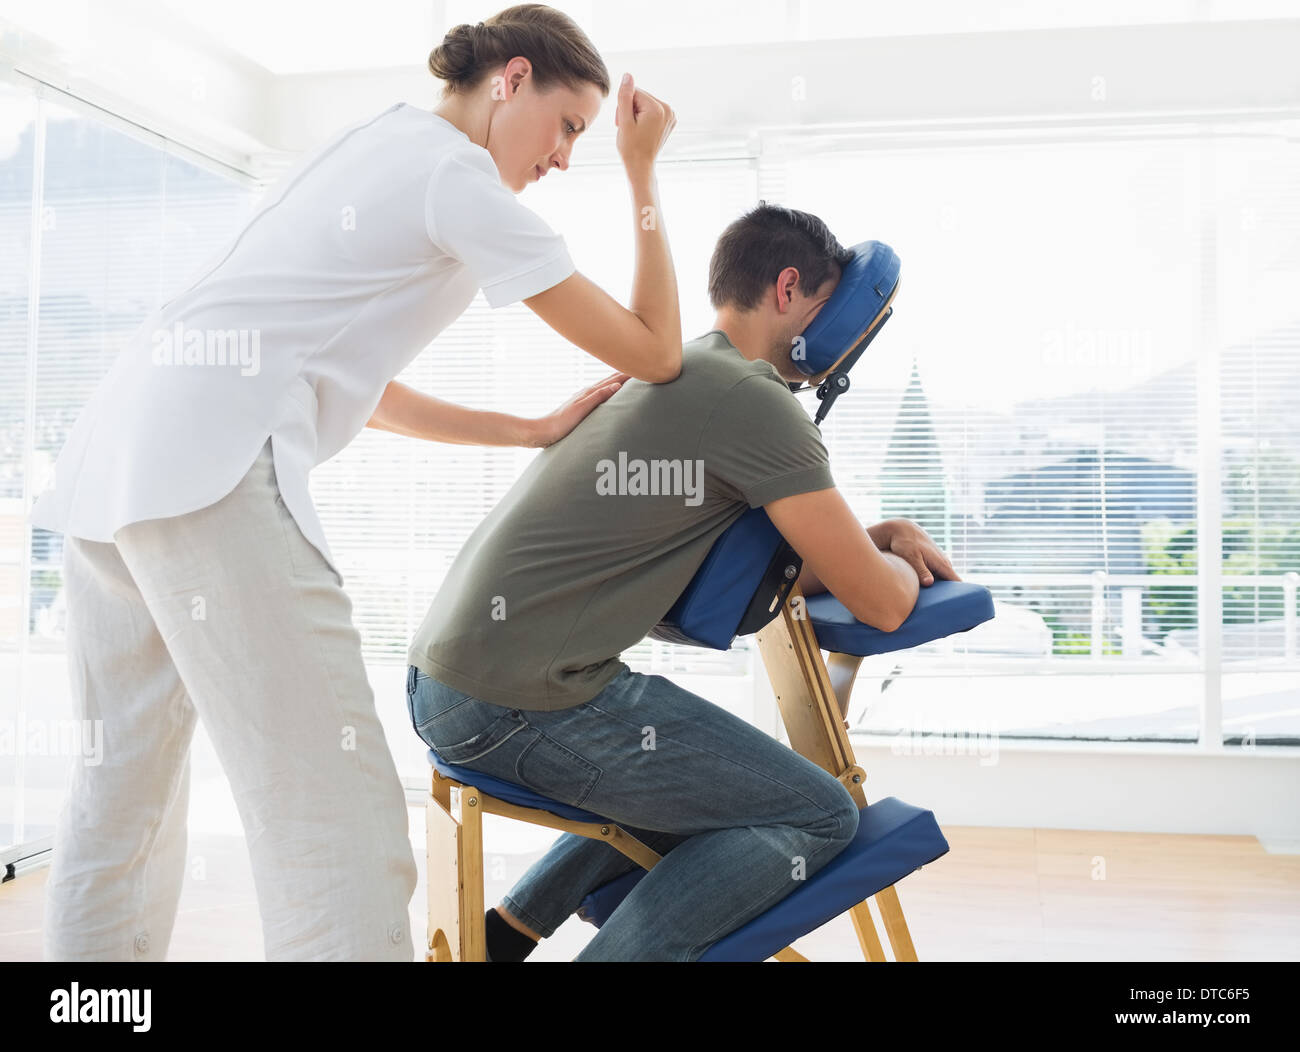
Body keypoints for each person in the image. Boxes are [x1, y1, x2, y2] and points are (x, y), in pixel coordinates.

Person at [31, 3, 681, 961]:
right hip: (210, 470)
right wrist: (642, 168)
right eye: (569, 126)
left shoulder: (379, 143)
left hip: (112, 469)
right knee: (337, 820)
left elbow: (352, 385)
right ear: (510, 78)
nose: (565, 157)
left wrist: (525, 430)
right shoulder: (457, 179)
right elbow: (657, 351)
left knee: (118, 800)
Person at [405, 203, 960, 961]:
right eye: (834, 307)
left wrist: (866, 542)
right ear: (790, 289)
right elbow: (884, 602)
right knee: (818, 815)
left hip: (450, 686)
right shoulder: (754, 400)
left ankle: (508, 933)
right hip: (518, 703)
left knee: (718, 779)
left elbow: (748, 572)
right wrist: (900, 547)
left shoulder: (678, 372)